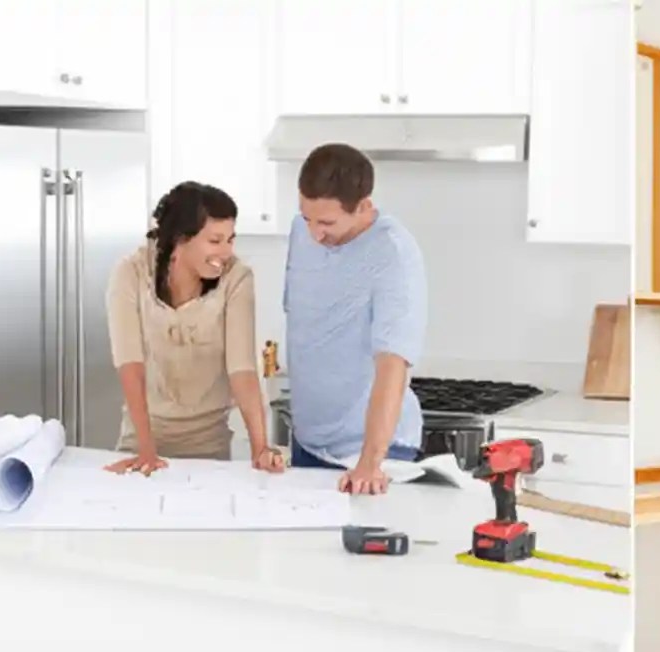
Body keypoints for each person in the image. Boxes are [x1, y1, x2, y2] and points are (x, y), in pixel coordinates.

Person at [103, 181, 285, 476]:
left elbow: (242, 370)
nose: (226, 252)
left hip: (207, 446)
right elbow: (130, 365)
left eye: (230, 239)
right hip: (141, 439)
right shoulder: (131, 273)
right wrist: (147, 450)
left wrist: (260, 448)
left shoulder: (237, 279)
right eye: (215, 241)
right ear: (180, 238)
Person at [283, 143, 427, 495]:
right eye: (307, 217)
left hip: (371, 452)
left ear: (364, 206)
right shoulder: (302, 232)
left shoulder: (393, 253)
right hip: (308, 443)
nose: (315, 233)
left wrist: (370, 462)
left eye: (327, 222)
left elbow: (392, 363)